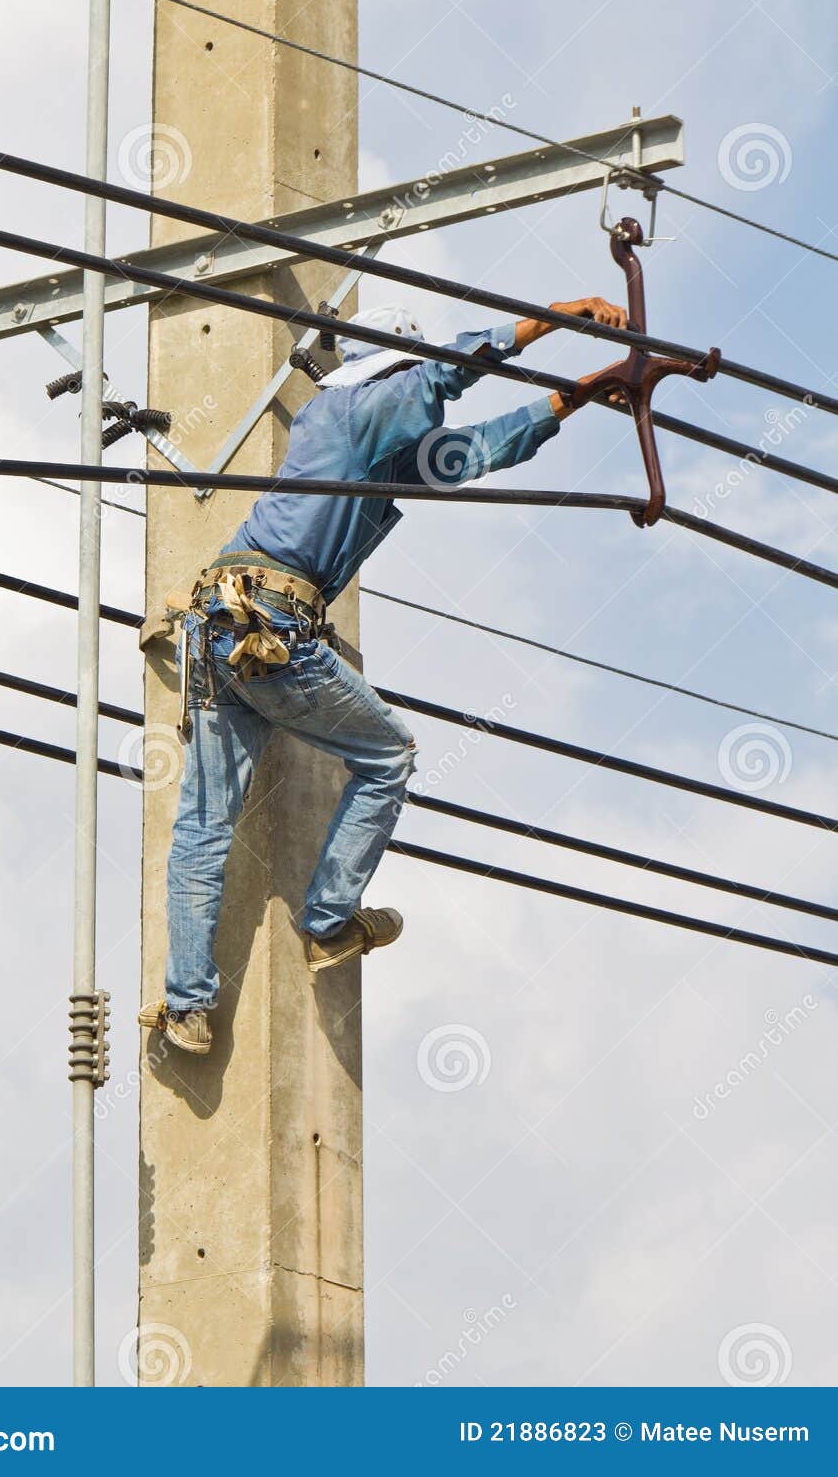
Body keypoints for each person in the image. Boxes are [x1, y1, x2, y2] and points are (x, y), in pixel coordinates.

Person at [139, 296, 628, 1053]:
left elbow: (484, 448)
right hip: (268, 622)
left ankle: (187, 1007)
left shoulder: (375, 450)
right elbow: (447, 372)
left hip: (221, 625)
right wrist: (560, 316)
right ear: (389, 372)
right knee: (388, 754)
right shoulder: (354, 410)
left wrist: (586, 389)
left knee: (203, 827)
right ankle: (327, 921)